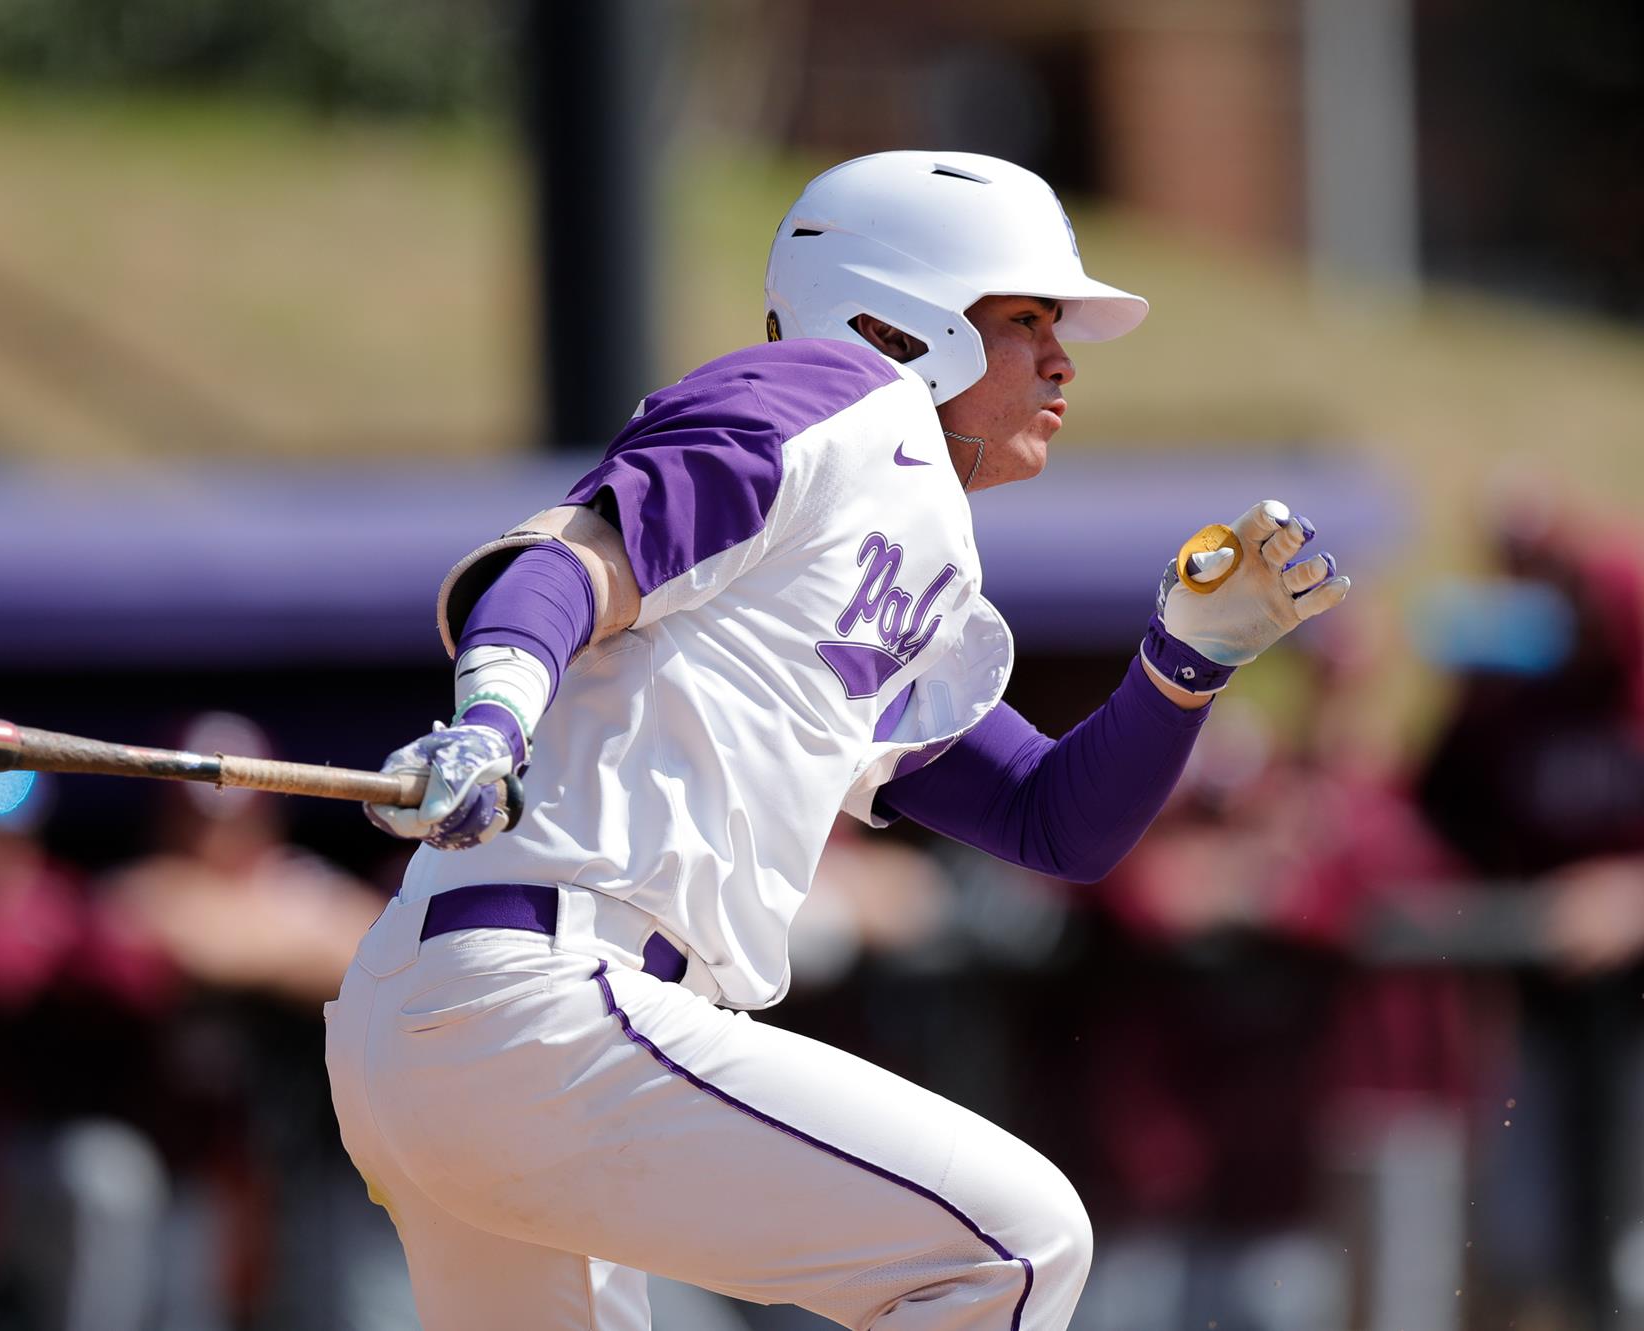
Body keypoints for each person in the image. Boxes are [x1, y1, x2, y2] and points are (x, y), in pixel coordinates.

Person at [327, 150, 1350, 1330]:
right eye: (1025, 318)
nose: (1062, 358)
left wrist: (1188, 661)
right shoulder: (829, 393)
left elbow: (1053, 821)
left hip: (460, 1027)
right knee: (1015, 1249)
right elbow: (563, 564)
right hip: (539, 1000)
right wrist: (491, 717)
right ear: (899, 321)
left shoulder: (894, 525)